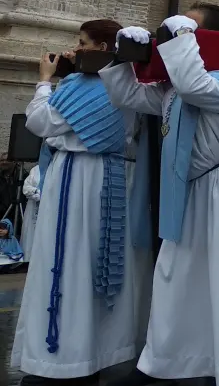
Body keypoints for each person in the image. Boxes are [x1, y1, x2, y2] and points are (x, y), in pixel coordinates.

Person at [100, 3, 219, 386]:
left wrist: (183, 38)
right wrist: (123, 57)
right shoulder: (175, 88)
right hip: (185, 194)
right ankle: (166, 360)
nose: (173, 35)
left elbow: (193, 85)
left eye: (188, 29)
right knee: (175, 277)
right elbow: (127, 96)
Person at [13, 19, 152, 386]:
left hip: (75, 178)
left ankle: (62, 356)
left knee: (66, 261)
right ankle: (101, 349)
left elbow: (41, 122)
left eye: (82, 42)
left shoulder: (82, 85)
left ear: (103, 49)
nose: (75, 49)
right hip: (113, 179)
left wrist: (45, 80)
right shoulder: (129, 84)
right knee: (99, 264)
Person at [20, 162, 40, 256]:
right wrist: (37, 192)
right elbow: (26, 188)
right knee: (31, 234)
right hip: (33, 207)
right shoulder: (36, 169)